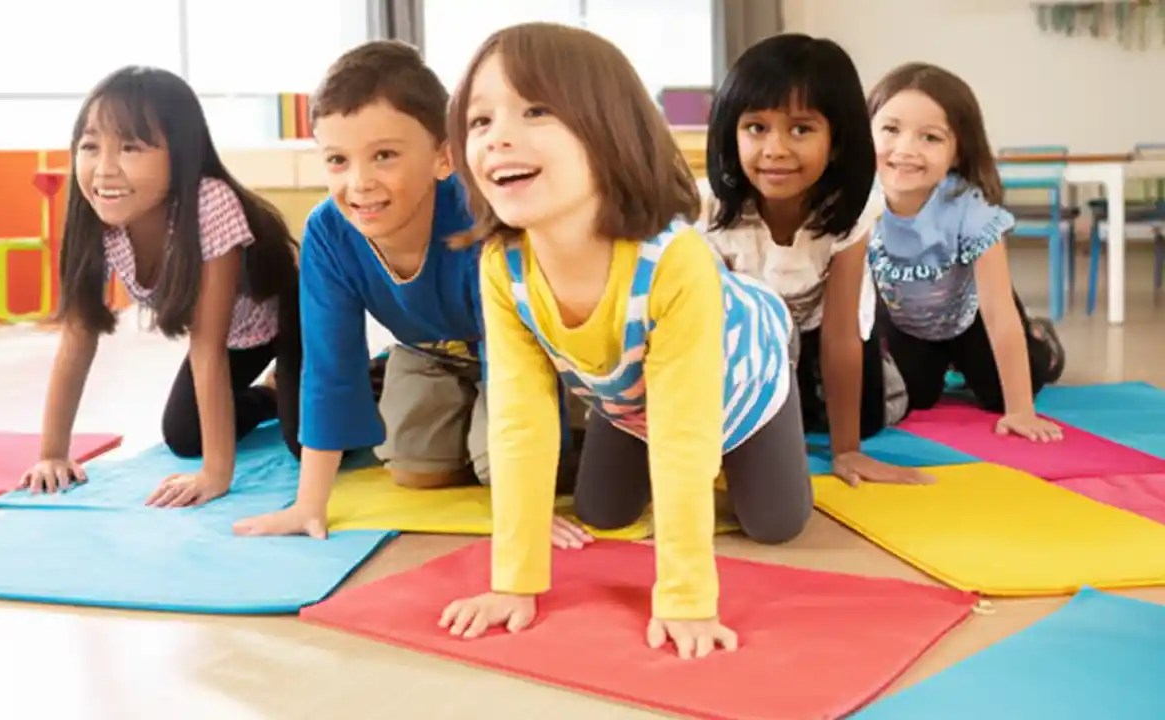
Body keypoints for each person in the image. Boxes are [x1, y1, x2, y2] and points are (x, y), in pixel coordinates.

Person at [436, 23, 810, 659]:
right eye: (478, 120)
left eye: (535, 110)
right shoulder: (504, 268)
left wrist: (686, 599)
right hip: (630, 394)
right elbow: (519, 423)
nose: (498, 136)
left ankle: (757, 452)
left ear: (609, 128)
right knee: (603, 513)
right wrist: (513, 584)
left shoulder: (675, 262)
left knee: (774, 524)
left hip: (746, 375)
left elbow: (685, 435)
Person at [232, 41, 580, 543]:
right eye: (337, 160)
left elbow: (516, 363)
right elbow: (330, 365)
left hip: (519, 353)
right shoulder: (329, 232)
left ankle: (585, 421)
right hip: (427, 351)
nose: (359, 183)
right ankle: (458, 416)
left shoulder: (481, 218)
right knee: (415, 471)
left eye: (385, 156)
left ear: (444, 157)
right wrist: (310, 504)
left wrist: (522, 502)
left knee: (498, 467)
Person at [19, 66, 302, 507]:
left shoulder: (209, 203)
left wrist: (216, 474)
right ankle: (270, 392)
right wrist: (52, 454)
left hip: (293, 317)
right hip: (237, 339)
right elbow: (78, 338)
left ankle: (366, 382)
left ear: (181, 154)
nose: (104, 169)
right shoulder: (98, 216)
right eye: (90, 146)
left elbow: (206, 346)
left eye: (130, 147)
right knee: (185, 436)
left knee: (306, 440)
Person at [702, 33, 925, 486]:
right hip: (751, 336)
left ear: (837, 141)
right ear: (732, 132)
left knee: (872, 415)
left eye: (801, 129)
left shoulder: (850, 210)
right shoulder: (710, 214)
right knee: (779, 427)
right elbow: (714, 339)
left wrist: (847, 452)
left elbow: (841, 331)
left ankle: (895, 369)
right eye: (756, 128)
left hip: (819, 322)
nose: (775, 149)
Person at [866, 62, 1065, 441]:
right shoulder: (858, 203)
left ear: (958, 152)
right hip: (907, 320)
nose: (905, 149)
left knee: (997, 394)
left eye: (931, 138)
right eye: (891, 129)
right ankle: (940, 364)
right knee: (916, 398)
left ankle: (1042, 341)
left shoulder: (968, 208)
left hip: (972, 316)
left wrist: (1020, 410)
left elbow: (997, 309)